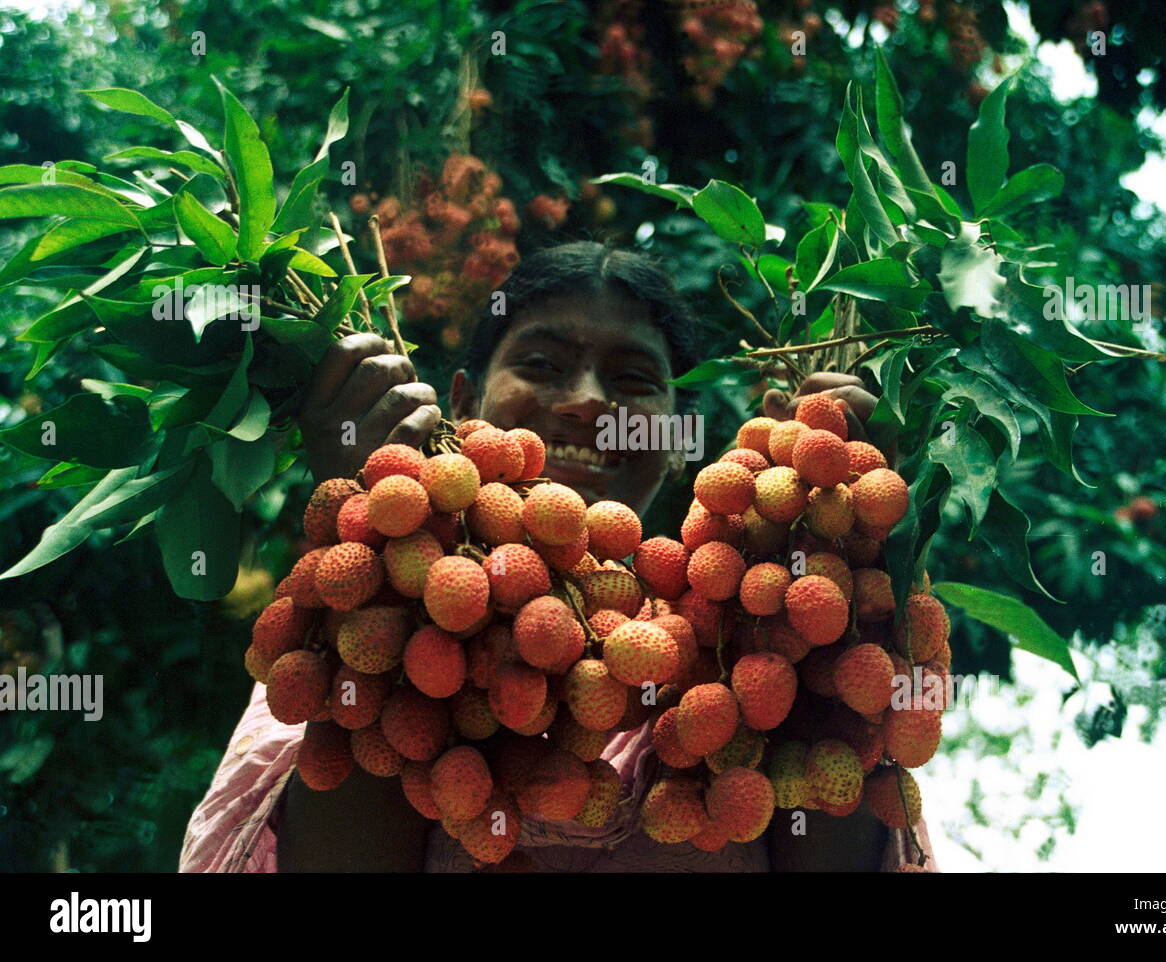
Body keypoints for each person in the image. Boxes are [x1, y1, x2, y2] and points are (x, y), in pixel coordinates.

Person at [179, 241, 937, 872]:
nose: (586, 402)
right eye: (541, 364)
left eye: (633, 379)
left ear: (677, 441)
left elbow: (836, 821)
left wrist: (859, 539)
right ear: (463, 401)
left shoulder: (728, 633)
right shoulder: (358, 617)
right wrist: (369, 515)